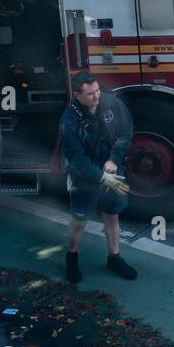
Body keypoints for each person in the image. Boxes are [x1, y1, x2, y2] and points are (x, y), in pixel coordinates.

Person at [59, 72, 137, 283]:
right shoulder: (69, 122)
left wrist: (114, 160)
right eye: (90, 93)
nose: (97, 96)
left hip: (112, 170)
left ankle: (114, 257)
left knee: (112, 216)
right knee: (80, 220)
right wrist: (101, 177)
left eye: (97, 91)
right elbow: (76, 158)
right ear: (77, 95)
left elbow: (125, 133)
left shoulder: (112, 103)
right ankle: (72, 256)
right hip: (84, 178)